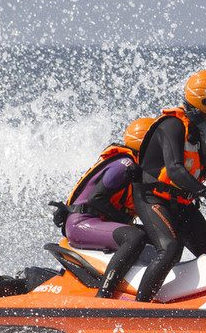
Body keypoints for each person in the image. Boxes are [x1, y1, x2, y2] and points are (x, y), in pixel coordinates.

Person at [131, 69, 206, 302]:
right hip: (152, 199)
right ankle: (139, 310)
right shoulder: (173, 126)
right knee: (171, 250)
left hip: (182, 203)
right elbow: (175, 170)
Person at [61, 117, 156, 298]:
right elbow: (97, 198)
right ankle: (104, 294)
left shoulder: (139, 168)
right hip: (81, 222)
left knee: (160, 238)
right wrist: (124, 220)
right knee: (134, 237)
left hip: (99, 221)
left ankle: (140, 291)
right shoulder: (125, 164)